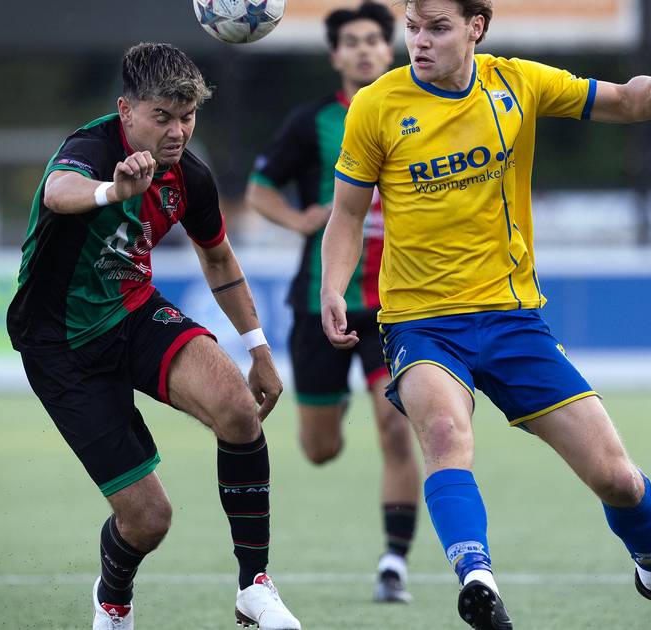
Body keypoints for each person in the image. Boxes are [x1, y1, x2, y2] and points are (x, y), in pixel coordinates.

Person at [320, 1, 651, 628]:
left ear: (475, 28)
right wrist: (333, 285)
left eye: (438, 28)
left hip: (515, 320)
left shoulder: (518, 83)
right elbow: (347, 213)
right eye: (413, 28)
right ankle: (478, 584)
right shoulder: (377, 105)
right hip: (421, 322)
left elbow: (622, 99)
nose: (419, 42)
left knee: (618, 478)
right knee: (445, 435)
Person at [6, 43, 300, 630]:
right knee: (149, 520)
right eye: (162, 117)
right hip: (59, 348)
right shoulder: (91, 149)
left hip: (136, 314)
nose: (177, 131)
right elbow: (57, 194)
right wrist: (113, 191)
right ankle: (113, 598)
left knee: (239, 410)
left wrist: (261, 350)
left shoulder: (189, 175)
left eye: (187, 117)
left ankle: (254, 587)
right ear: (126, 110)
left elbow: (217, 259)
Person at [245, 1, 422, 604]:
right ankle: (336, 400)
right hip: (320, 304)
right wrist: (301, 220)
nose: (365, 50)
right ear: (335, 55)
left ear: (390, 47)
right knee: (319, 449)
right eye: (352, 42)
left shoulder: (420, 111)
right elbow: (258, 189)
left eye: (375, 39)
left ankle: (394, 563)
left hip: (399, 306)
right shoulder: (312, 121)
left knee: (398, 432)